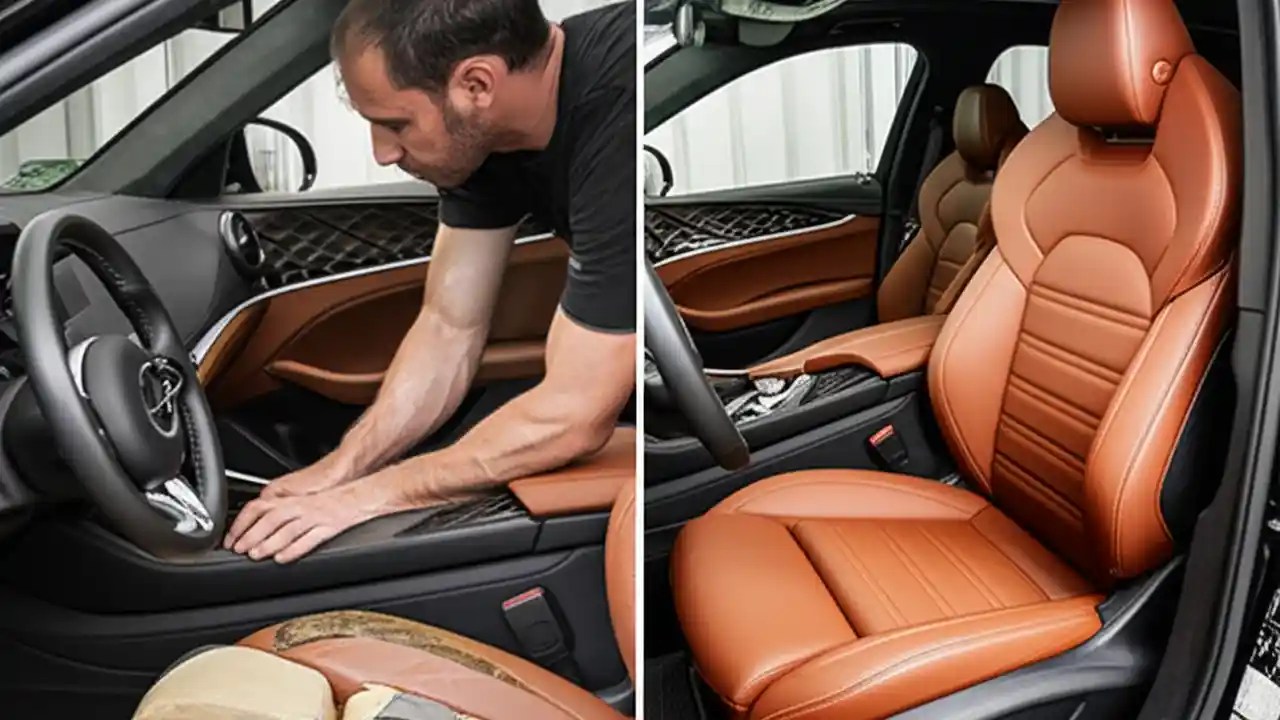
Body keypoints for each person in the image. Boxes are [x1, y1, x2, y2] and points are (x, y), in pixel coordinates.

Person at [224, 0, 636, 563]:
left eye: (395, 124)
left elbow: (574, 413)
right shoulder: (485, 142)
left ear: (476, 84)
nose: (384, 152)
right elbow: (448, 325)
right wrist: (338, 472)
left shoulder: (615, 102)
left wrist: (366, 500)